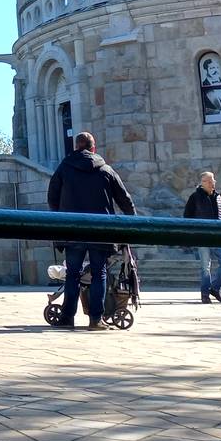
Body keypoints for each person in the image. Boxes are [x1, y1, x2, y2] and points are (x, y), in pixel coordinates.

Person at [46, 131, 137, 331]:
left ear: (76, 147)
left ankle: (67, 317)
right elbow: (124, 199)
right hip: (100, 229)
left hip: (72, 228)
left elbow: (52, 196)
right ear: (93, 148)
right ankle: (96, 319)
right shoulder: (106, 170)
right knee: (99, 273)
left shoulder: (64, 168)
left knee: (72, 274)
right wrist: (133, 221)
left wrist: (59, 216)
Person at [184, 171, 221, 304]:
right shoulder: (194, 197)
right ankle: (205, 293)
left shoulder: (218, 197)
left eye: (213, 181)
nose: (211, 183)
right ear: (202, 183)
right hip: (202, 236)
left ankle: (215, 288)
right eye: (208, 181)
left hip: (218, 236)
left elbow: (220, 216)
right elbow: (187, 216)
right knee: (205, 266)